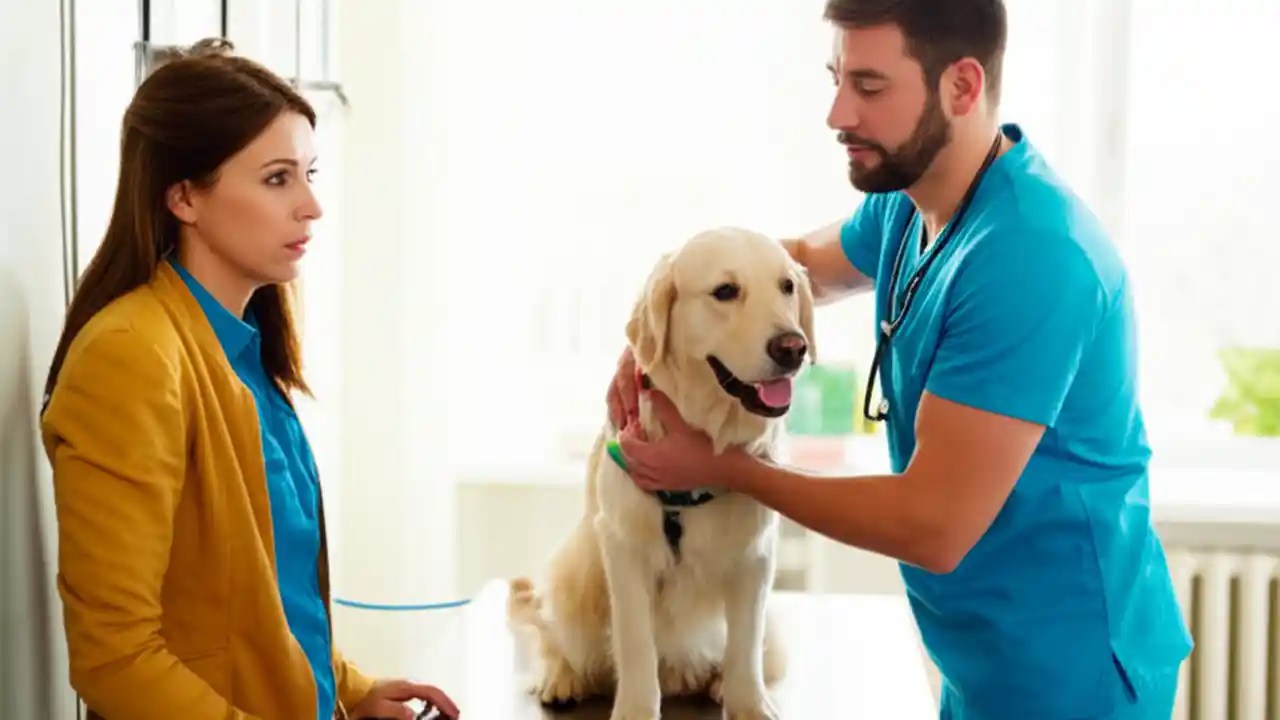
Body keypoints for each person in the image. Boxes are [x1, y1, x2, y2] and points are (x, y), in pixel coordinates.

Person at [608, 1, 1192, 718]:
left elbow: (931, 526)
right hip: (979, 661)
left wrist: (725, 468)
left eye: (870, 86)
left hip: (1070, 679)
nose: (837, 113)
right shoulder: (908, 204)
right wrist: (653, 334)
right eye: (836, 78)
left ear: (962, 87)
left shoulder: (1033, 258)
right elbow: (781, 271)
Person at [40, 39, 459, 720]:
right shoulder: (130, 356)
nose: (311, 206)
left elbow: (262, 603)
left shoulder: (242, 350)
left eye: (309, 173)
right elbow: (115, 658)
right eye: (276, 178)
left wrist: (348, 690)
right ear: (183, 196)